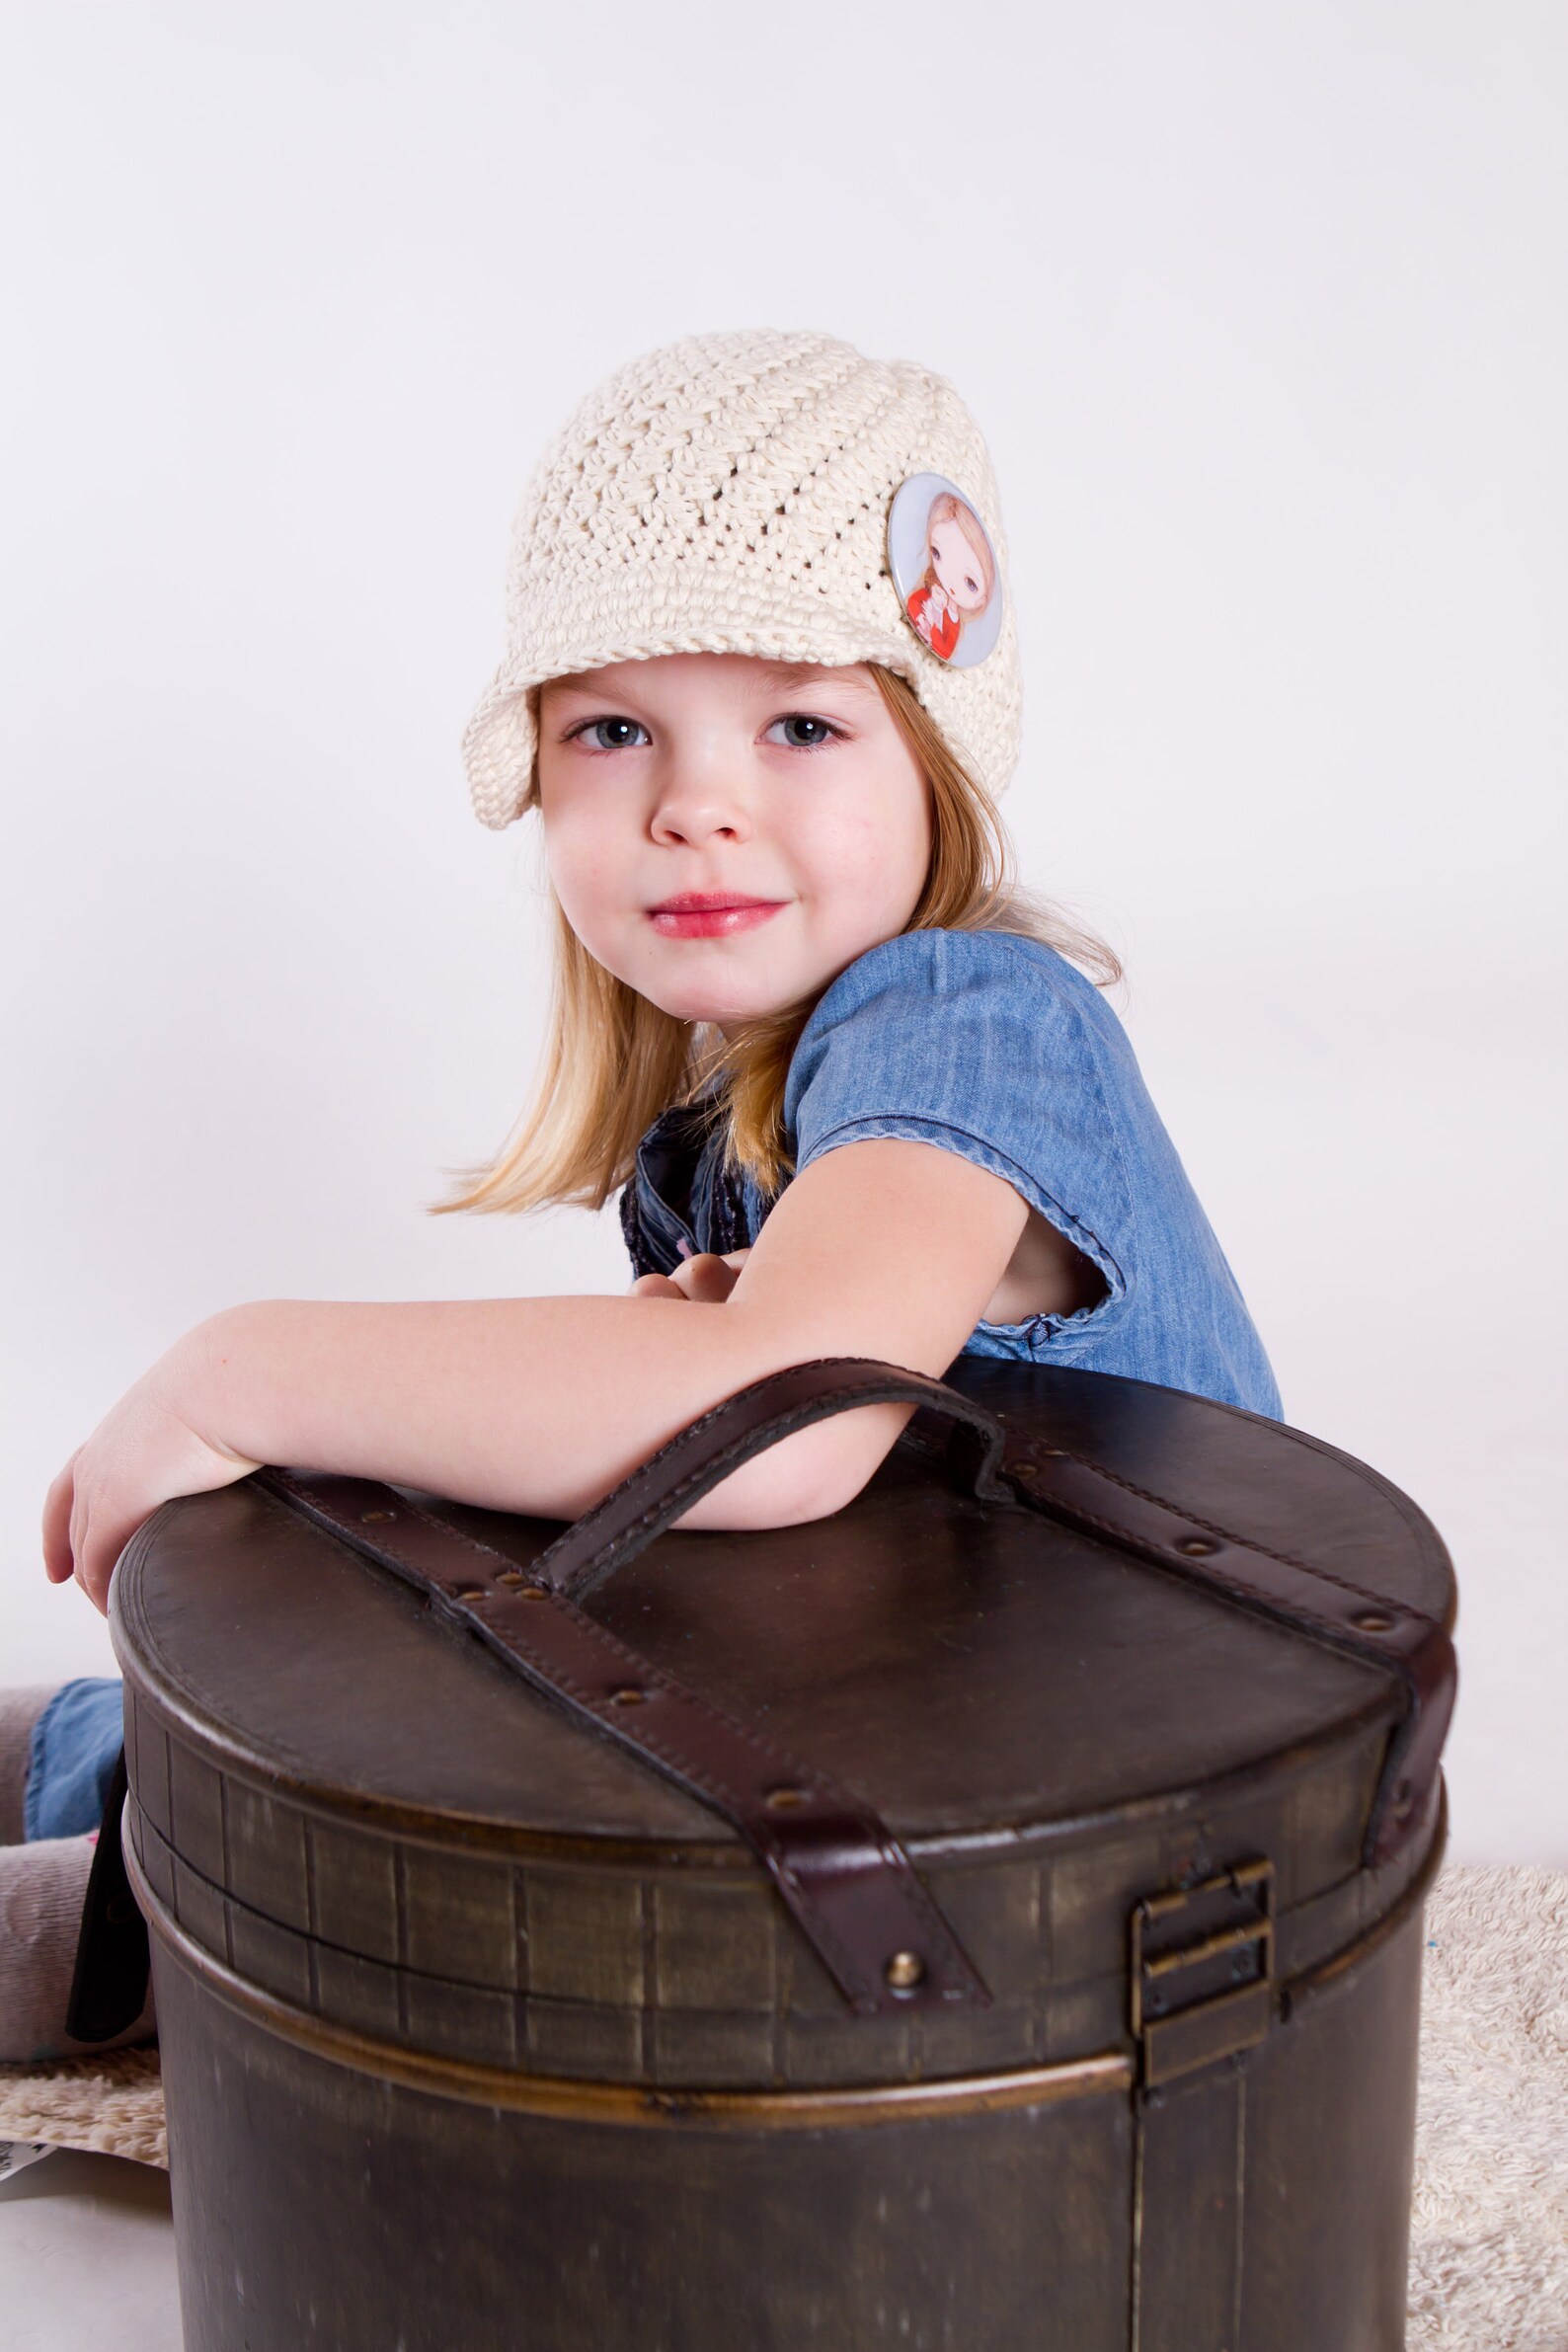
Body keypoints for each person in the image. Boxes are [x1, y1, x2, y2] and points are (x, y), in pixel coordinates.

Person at [2, 328, 1281, 2062]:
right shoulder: (735, 1103)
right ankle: (106, 1755)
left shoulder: (974, 1017)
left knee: (439, 1806)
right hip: (913, 1767)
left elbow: (790, 1420)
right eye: (617, 728)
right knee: (477, 1581)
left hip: (1071, 1877)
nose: (697, 806)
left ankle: (137, 1900)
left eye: (803, 724)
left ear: (934, 764)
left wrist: (238, 1365)